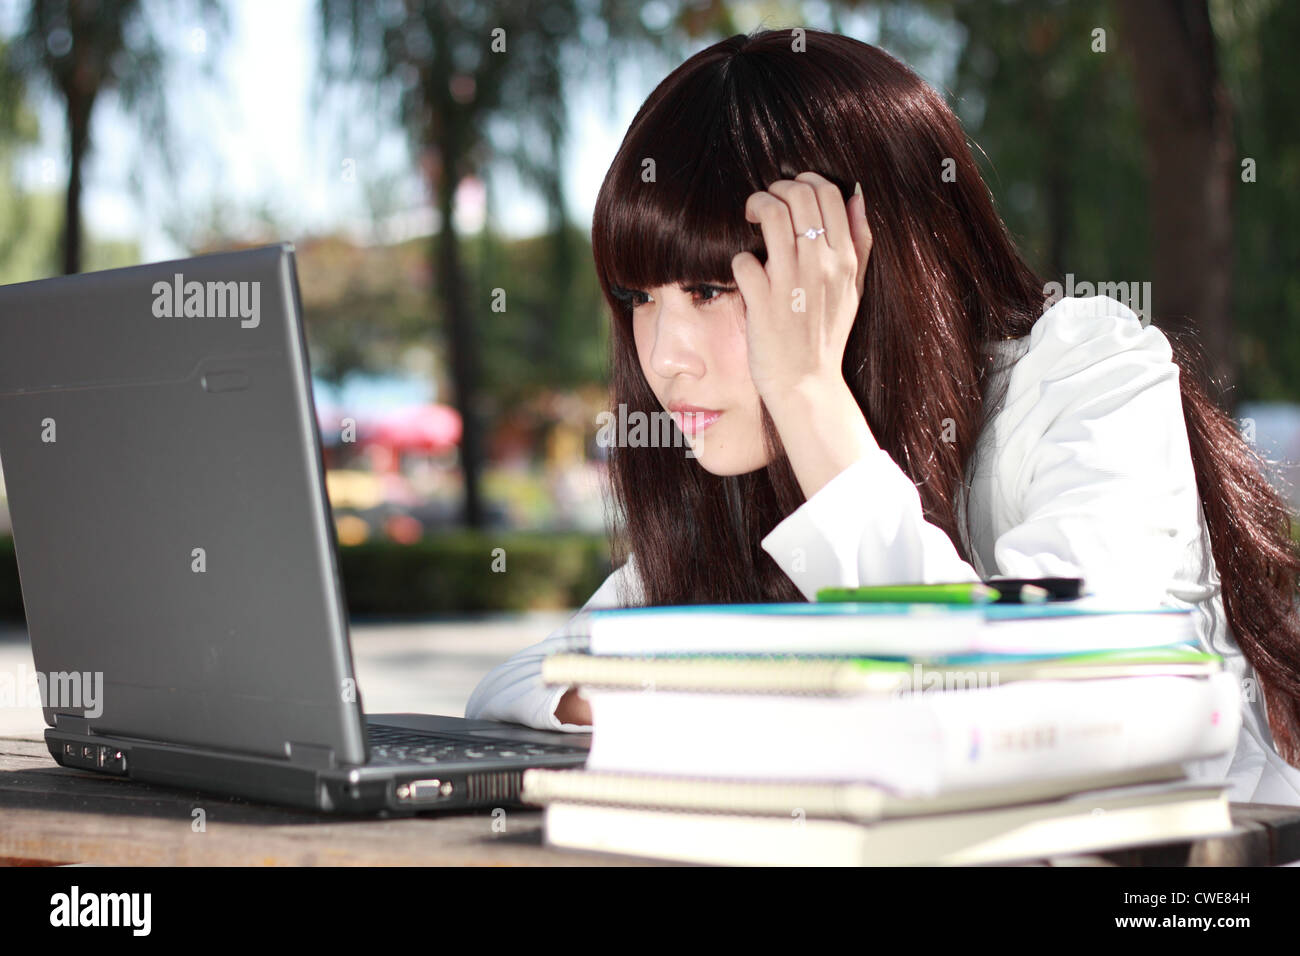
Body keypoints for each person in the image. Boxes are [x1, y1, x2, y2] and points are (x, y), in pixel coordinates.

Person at [465, 28, 1300, 805]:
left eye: (712, 289)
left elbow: (1062, 722)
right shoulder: (746, 474)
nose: (665, 356)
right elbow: (525, 680)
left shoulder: (1085, 375)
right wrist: (711, 700)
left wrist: (809, 396)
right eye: (639, 296)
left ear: (859, 266)